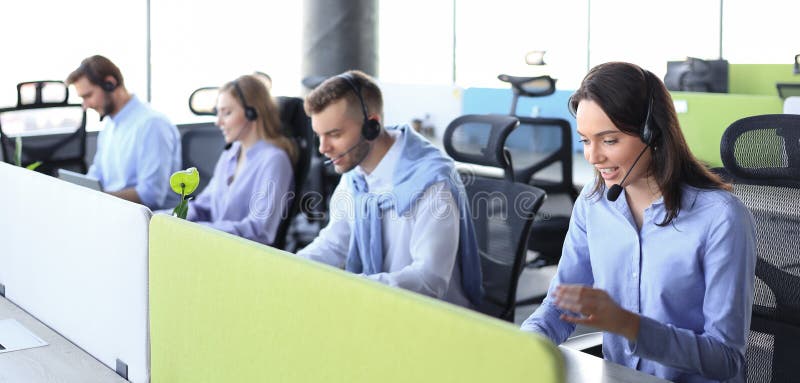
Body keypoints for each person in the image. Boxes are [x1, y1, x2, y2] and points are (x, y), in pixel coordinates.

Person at [520, 62, 756, 382]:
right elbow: (559, 306)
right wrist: (525, 344)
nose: (592, 156)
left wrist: (629, 325)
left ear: (652, 134)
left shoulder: (720, 218)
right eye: (585, 140)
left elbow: (727, 360)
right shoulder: (593, 202)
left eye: (609, 140)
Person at [296, 70, 482, 308]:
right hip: (378, 304)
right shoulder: (355, 175)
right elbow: (334, 244)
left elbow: (429, 279)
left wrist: (352, 288)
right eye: (319, 136)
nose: (323, 148)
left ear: (371, 126)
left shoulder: (431, 183)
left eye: (334, 134)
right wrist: (290, 268)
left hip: (431, 314)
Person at [184, 74, 296, 246]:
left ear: (252, 113)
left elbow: (259, 230)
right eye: (218, 113)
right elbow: (203, 205)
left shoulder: (274, 160)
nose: (218, 122)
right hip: (214, 245)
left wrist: (201, 230)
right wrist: (164, 217)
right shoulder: (230, 153)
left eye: (227, 113)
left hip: (242, 254)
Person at [67, 55, 181, 210]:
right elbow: (96, 175)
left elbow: (151, 196)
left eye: (88, 96)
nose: (85, 105)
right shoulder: (109, 127)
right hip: (116, 210)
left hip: (149, 218)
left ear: (110, 83)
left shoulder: (152, 124)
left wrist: (100, 199)